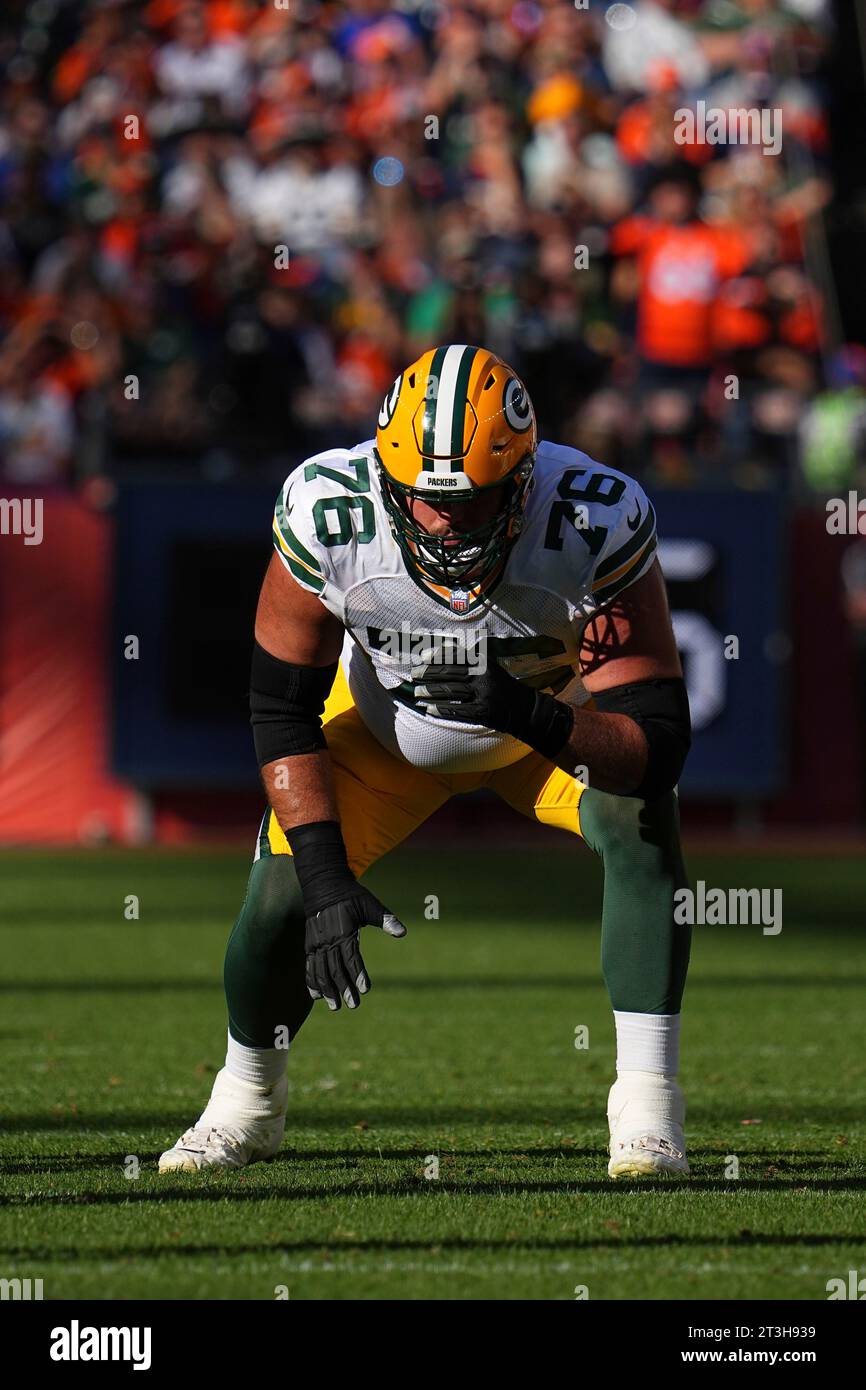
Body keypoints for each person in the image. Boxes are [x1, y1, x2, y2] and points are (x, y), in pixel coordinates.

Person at [159, 344, 693, 1180]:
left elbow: (656, 746)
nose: (443, 521)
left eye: (472, 501)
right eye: (421, 498)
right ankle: (247, 1101)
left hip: (541, 737)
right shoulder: (328, 509)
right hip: (383, 735)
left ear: (522, 483)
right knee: (281, 894)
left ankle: (648, 1106)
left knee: (640, 816)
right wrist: (329, 875)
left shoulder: (590, 515)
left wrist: (519, 706)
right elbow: (280, 707)